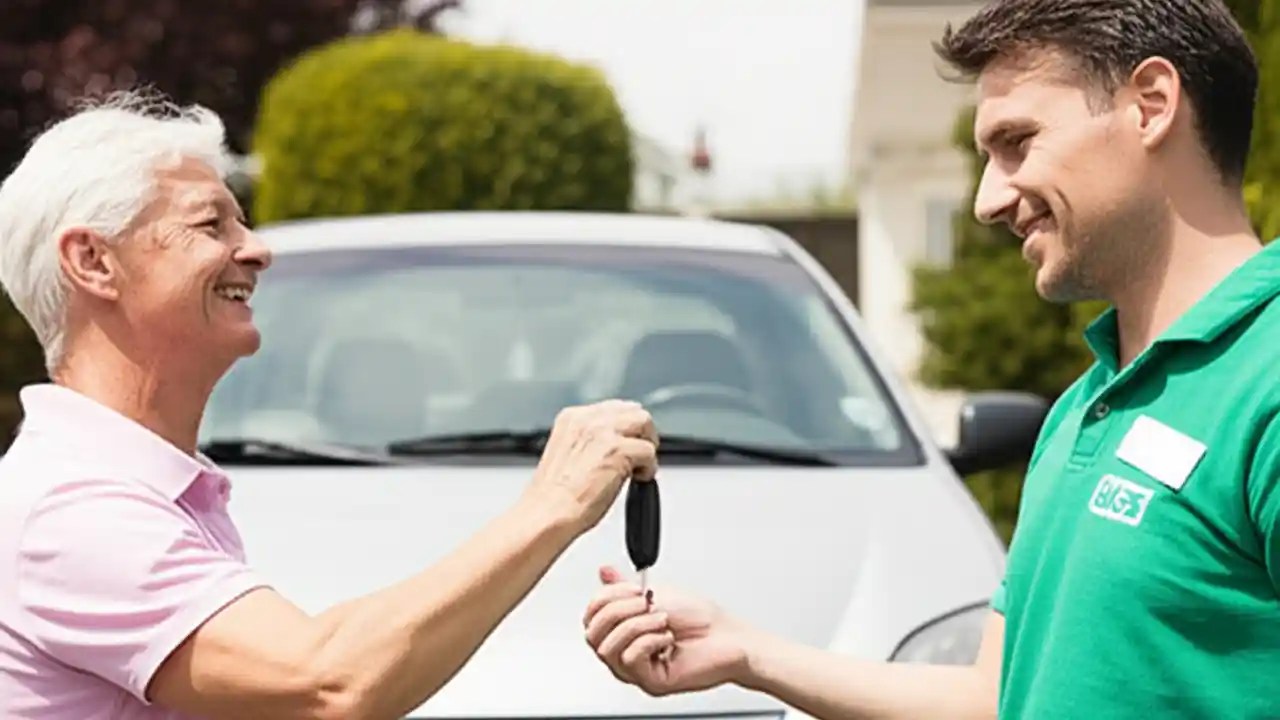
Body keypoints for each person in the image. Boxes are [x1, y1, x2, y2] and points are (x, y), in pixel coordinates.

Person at [584, 0, 1280, 717]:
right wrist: (748, 655)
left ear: (1151, 105)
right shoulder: (1084, 408)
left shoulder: (1268, 382)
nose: (987, 199)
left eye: (1018, 141)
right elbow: (994, 697)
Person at [0, 90, 660, 719]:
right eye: (211, 224)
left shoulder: (132, 490)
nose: (256, 249)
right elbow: (328, 682)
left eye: (243, 221)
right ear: (93, 261)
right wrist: (554, 504)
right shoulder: (70, 514)